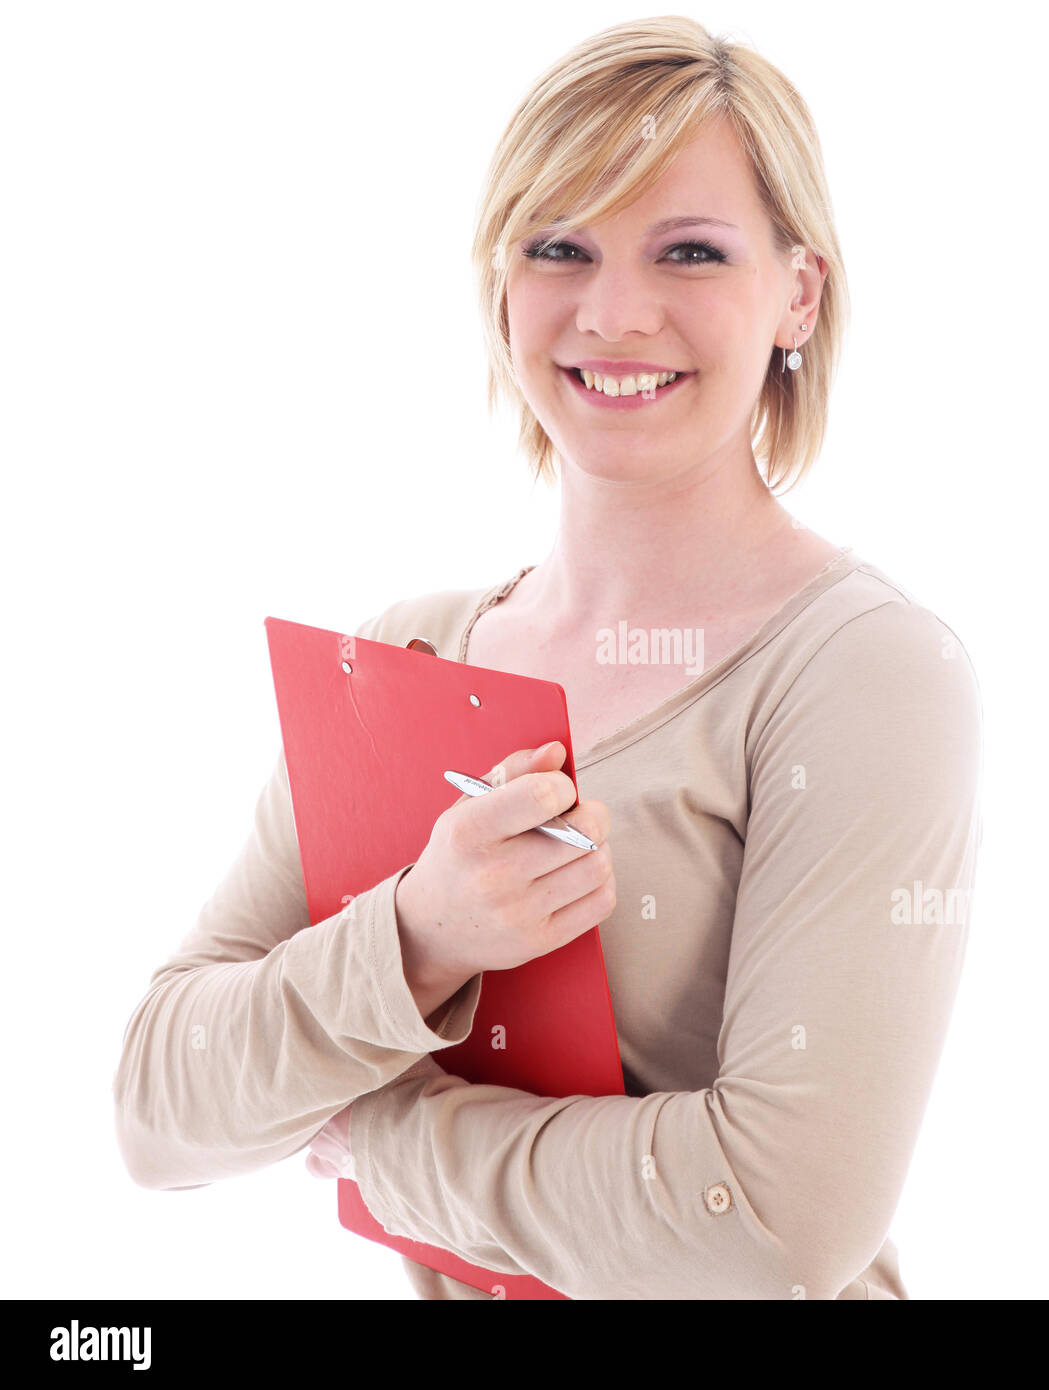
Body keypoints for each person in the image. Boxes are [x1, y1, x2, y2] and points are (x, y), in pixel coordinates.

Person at [113, 16, 983, 1300]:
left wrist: (381, 1141)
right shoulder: (404, 649)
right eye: (558, 248)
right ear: (500, 288)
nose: (615, 312)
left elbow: (772, 1231)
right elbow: (155, 1112)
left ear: (799, 290)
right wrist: (414, 938)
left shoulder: (865, 674)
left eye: (690, 250)